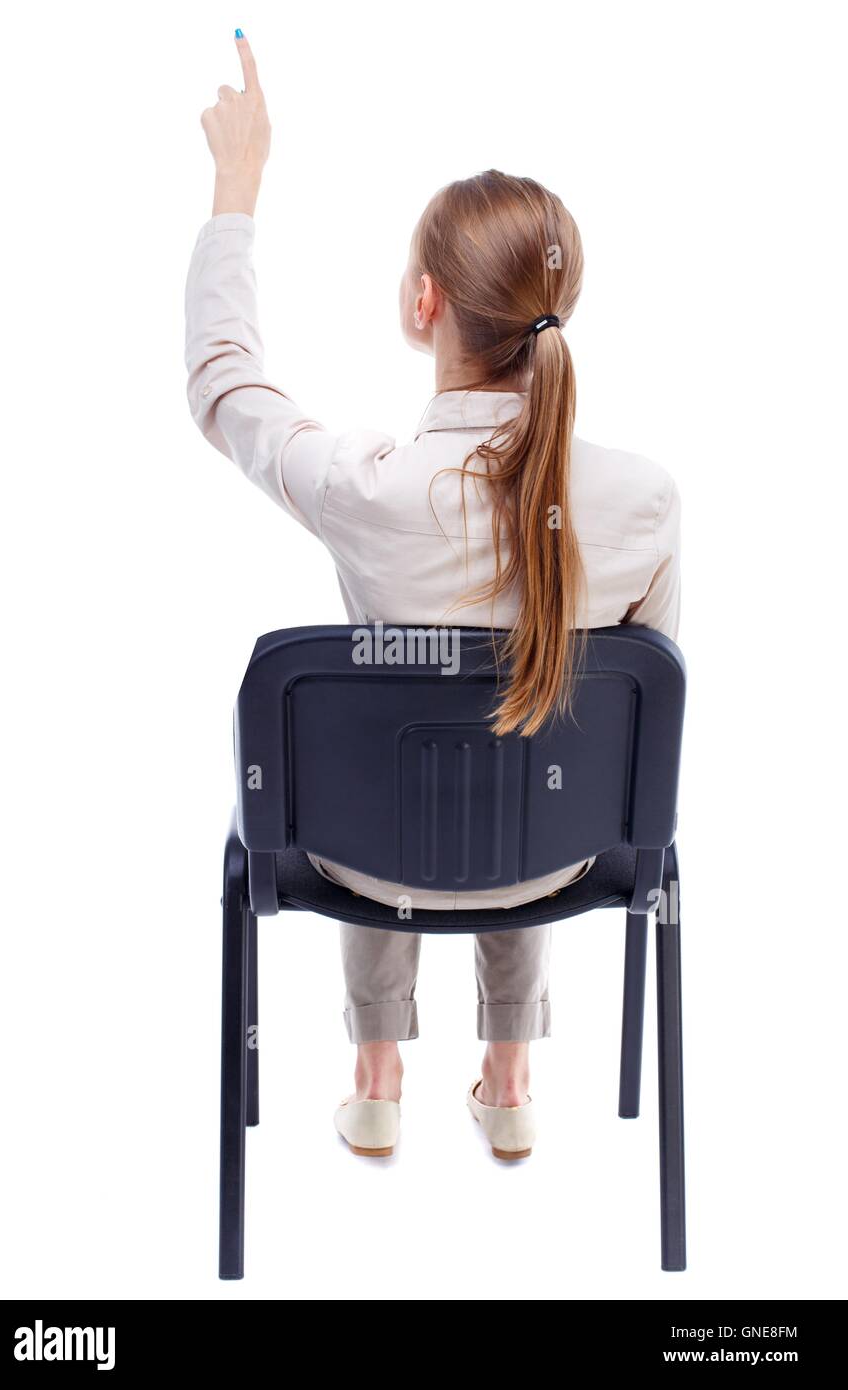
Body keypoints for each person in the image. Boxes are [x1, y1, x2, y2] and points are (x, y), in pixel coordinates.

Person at [185, 31, 680, 1162]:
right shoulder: (643, 500)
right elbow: (621, 717)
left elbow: (223, 384)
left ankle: (373, 1073)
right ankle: (508, 1078)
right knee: (539, 717)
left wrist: (235, 189)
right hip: (552, 849)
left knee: (388, 726)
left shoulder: (364, 486)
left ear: (423, 305)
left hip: (369, 853)